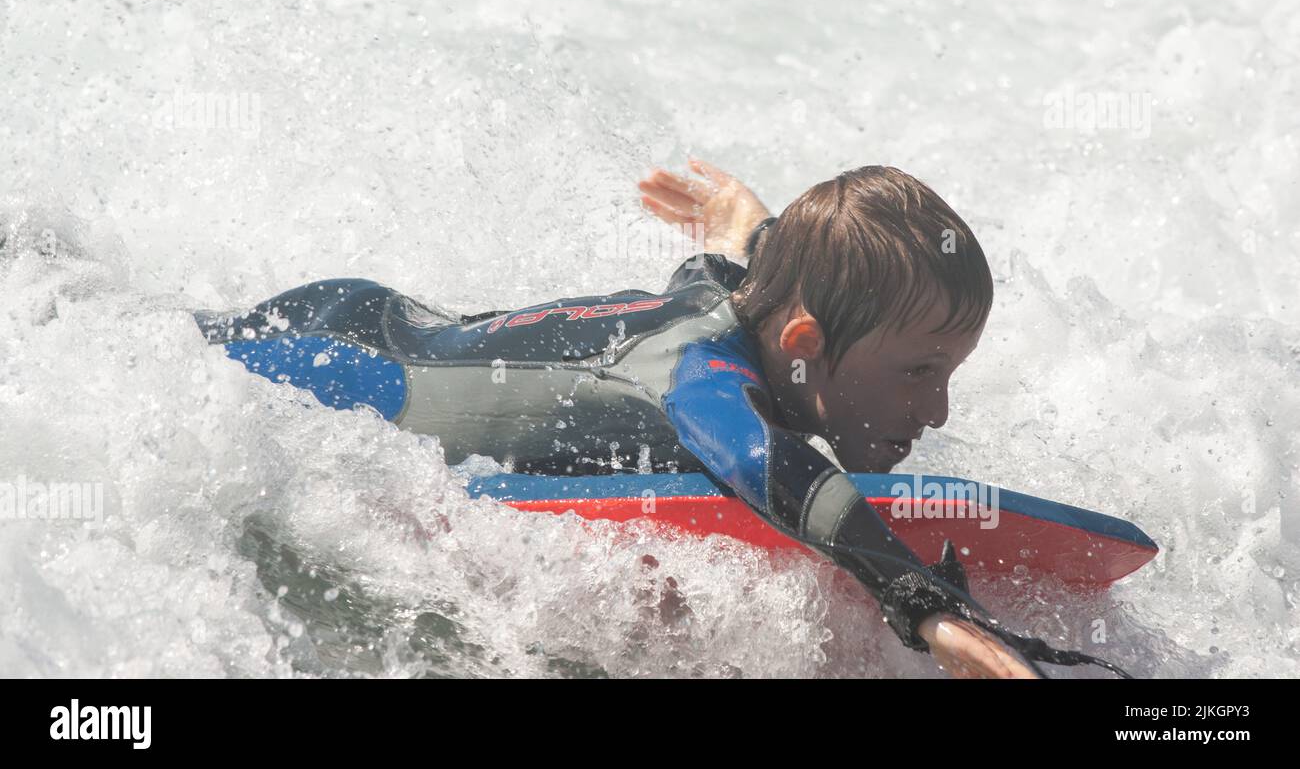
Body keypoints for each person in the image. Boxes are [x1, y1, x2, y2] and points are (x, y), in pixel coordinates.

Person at [193, 162, 1087, 678]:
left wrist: (756, 226)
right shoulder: (700, 378)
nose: (936, 408)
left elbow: (763, 271)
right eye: (919, 373)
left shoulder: (755, 301)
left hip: (380, 320)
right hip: (329, 366)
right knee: (146, 337)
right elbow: (764, 463)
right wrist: (925, 608)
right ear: (808, 340)